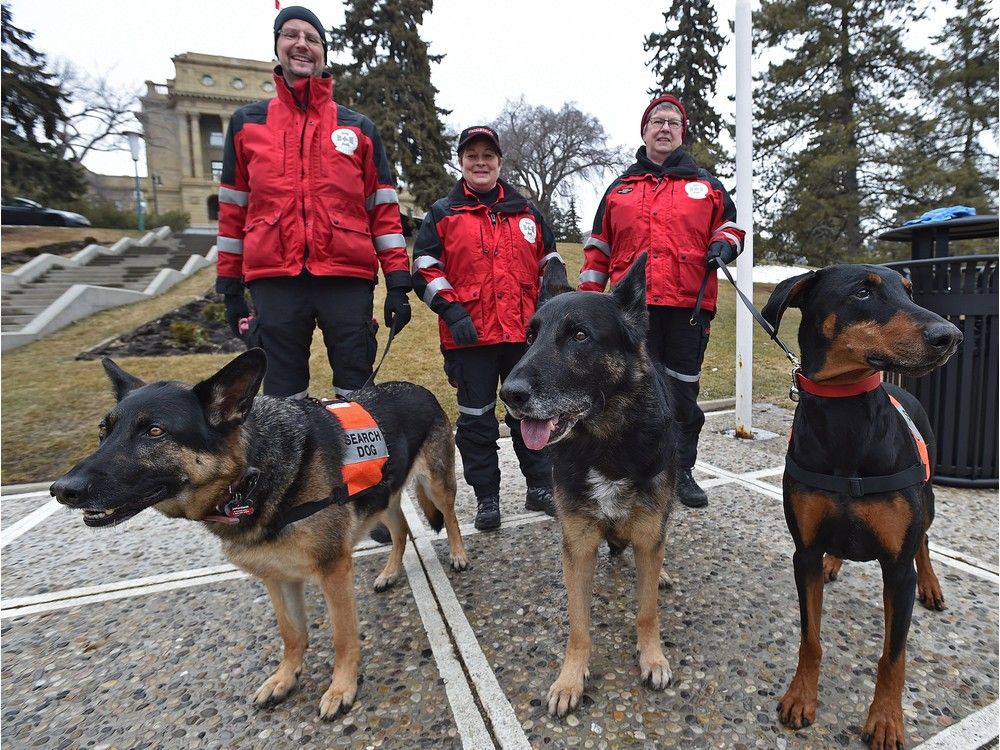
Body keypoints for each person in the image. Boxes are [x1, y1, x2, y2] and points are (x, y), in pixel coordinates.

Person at [215, 5, 412, 402]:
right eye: (291, 35)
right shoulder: (246, 124)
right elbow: (233, 211)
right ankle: (292, 447)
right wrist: (230, 288)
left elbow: (383, 211)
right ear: (277, 45)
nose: (301, 44)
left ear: (324, 52)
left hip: (346, 276)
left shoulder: (359, 128)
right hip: (275, 278)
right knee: (282, 395)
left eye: (312, 38)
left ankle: (359, 444)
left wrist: (398, 283)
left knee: (357, 390)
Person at [579, 94, 745, 509]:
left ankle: (680, 470)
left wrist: (724, 245)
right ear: (645, 131)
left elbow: (731, 227)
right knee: (632, 391)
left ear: (682, 133)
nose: (665, 127)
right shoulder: (619, 189)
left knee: (682, 395)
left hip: (689, 308)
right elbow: (598, 248)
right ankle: (630, 469)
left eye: (673, 122)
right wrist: (585, 306)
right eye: (657, 121)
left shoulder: (707, 186)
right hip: (631, 313)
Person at [411, 125, 561, 530]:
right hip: (469, 339)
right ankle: (487, 498)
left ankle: (540, 486)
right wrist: (453, 311)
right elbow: (424, 269)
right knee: (476, 421)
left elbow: (550, 262)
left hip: (525, 340)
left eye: (488, 156)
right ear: (461, 162)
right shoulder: (443, 213)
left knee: (533, 414)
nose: (480, 162)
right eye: (472, 156)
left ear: (499, 162)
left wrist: (548, 309)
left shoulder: (526, 212)